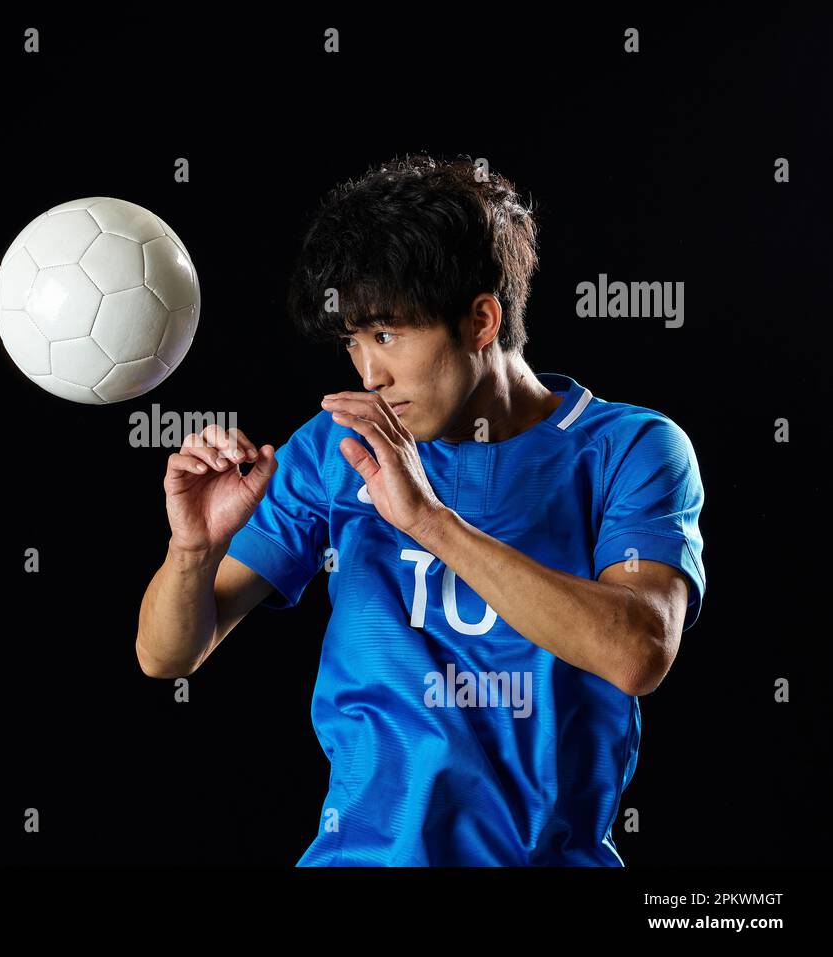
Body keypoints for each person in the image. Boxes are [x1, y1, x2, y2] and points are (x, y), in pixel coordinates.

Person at [135, 153, 705, 866]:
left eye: (386, 334)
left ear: (481, 319)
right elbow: (167, 654)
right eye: (352, 341)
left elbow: (638, 652)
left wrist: (429, 520)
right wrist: (192, 551)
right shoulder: (337, 448)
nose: (369, 373)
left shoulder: (632, 448)